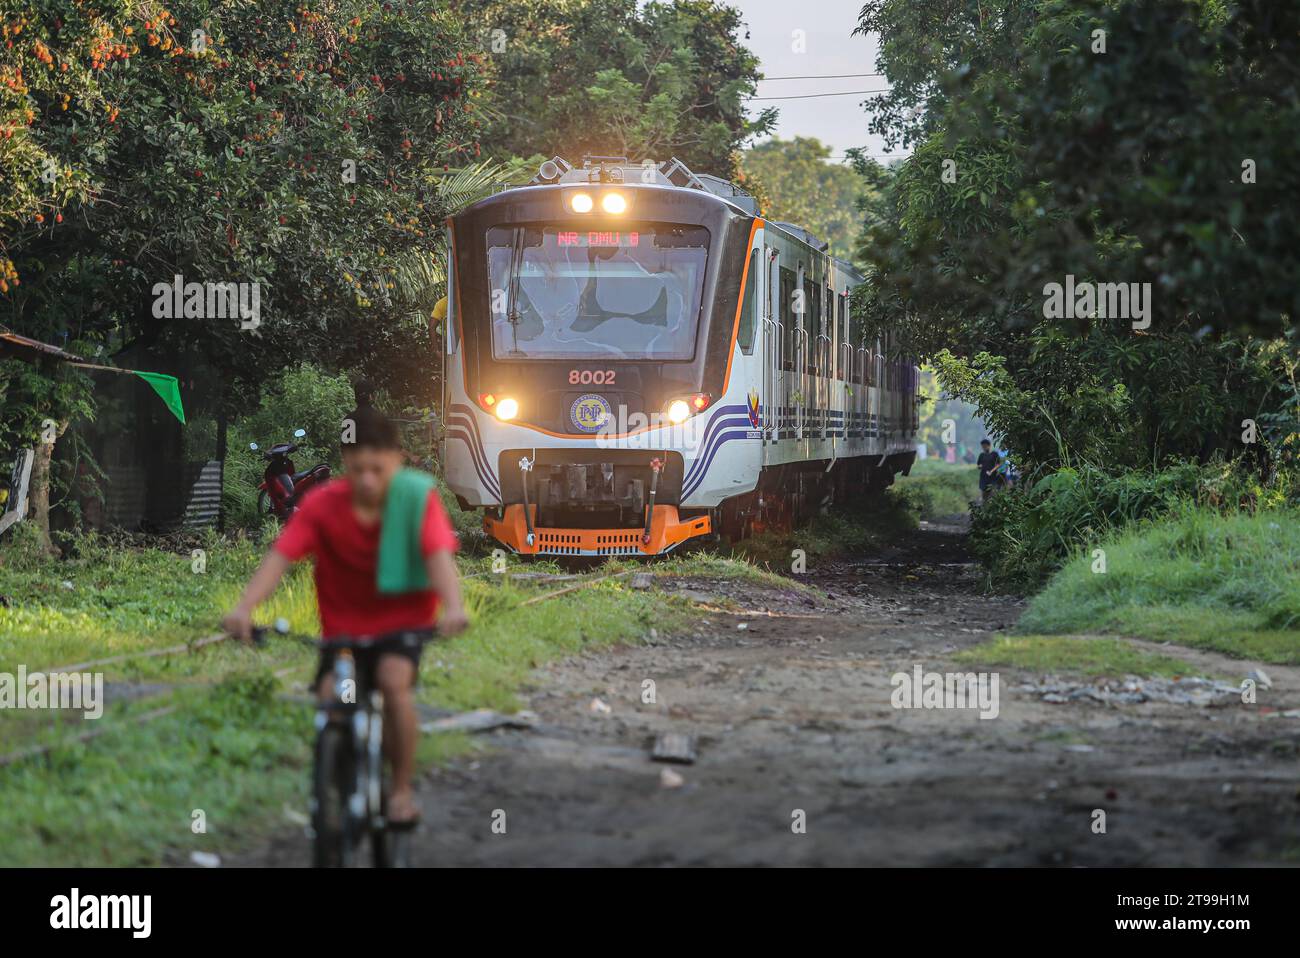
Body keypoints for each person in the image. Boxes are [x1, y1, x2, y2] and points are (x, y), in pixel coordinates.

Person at [222, 405, 468, 826]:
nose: (367, 480)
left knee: (394, 683)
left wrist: (455, 607)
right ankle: (338, 780)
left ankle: (401, 790)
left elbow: (436, 555)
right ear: (344, 464)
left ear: (396, 459)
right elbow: (281, 555)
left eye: (377, 468)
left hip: (402, 622)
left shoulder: (415, 497)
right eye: (357, 469)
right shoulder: (324, 504)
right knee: (331, 700)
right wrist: (244, 607)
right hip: (344, 628)